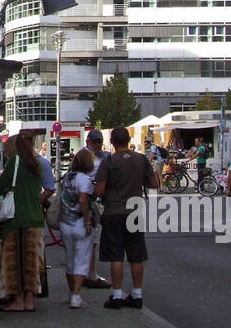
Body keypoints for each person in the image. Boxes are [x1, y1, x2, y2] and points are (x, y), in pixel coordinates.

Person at [96, 126, 158, 309]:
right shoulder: (141, 159)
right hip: (135, 212)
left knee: (116, 255)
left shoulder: (108, 161)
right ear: (129, 140)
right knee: (136, 256)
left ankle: (116, 296)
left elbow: (99, 190)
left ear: (112, 142)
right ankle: (137, 295)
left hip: (114, 212)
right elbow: (153, 183)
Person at [0, 133, 45, 312]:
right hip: (35, 218)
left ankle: (18, 301)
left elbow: (0, 187)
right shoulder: (36, 163)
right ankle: (30, 300)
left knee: (14, 260)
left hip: (16, 218)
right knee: (31, 261)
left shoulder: (14, 162)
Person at [56, 148, 96, 309]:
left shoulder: (67, 177)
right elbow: (83, 200)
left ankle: (71, 292)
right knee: (82, 260)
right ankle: (76, 297)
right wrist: (88, 221)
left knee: (70, 260)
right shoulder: (85, 179)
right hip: (80, 223)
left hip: (65, 222)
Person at [82, 129, 111, 289]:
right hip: (89, 201)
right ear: (88, 141)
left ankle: (88, 273)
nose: (97, 145)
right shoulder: (83, 156)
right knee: (91, 239)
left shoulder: (105, 156)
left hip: (98, 201)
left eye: (99, 142)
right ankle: (90, 274)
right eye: (94, 142)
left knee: (92, 239)